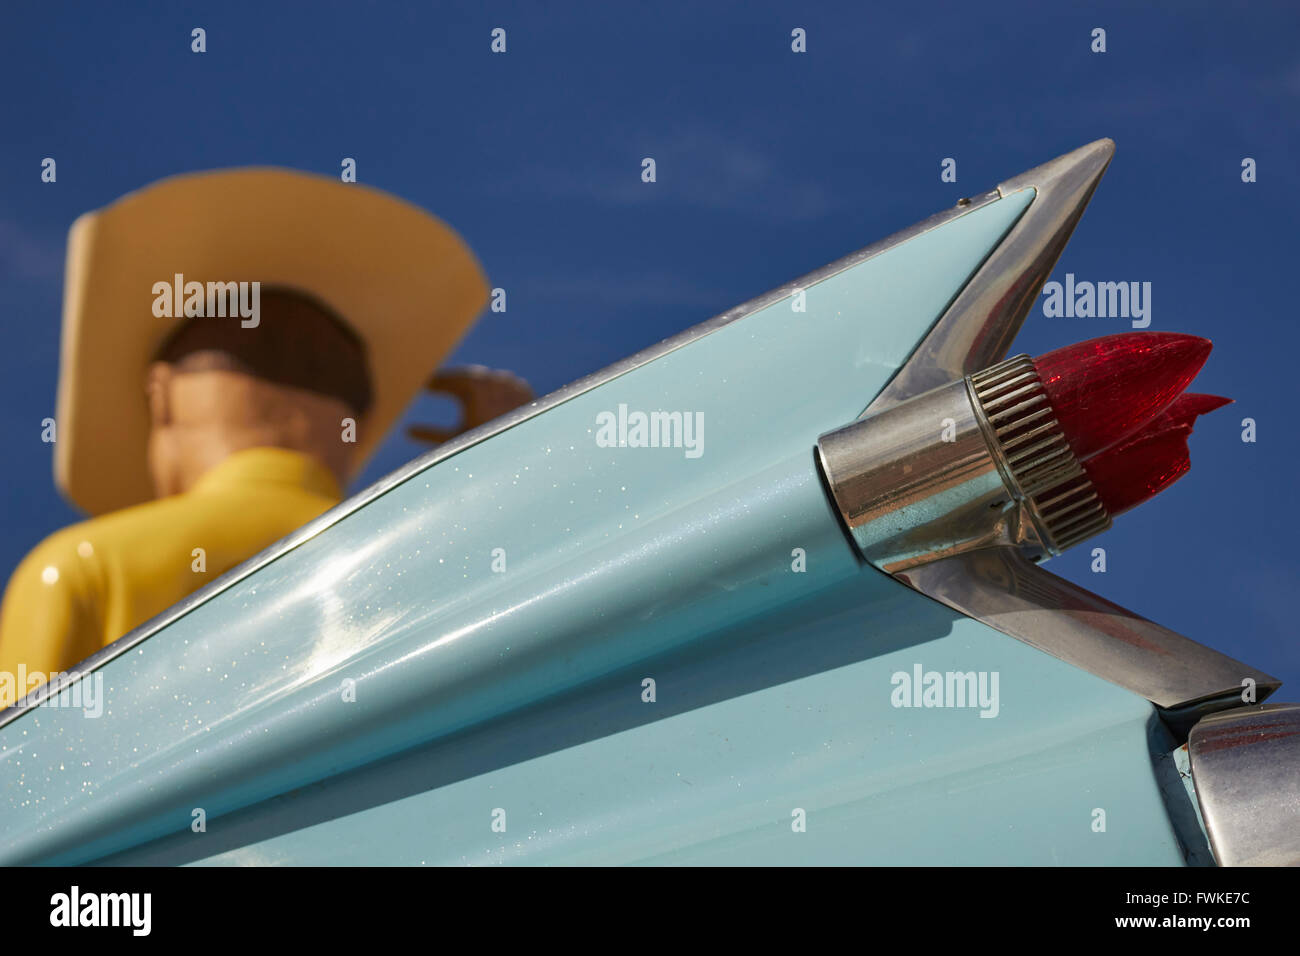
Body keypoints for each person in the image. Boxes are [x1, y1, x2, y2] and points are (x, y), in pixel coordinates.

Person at [0, 168, 530, 703]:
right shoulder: (451, 559)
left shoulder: (84, 569)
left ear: (160, 398)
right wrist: (497, 476)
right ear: (361, 424)